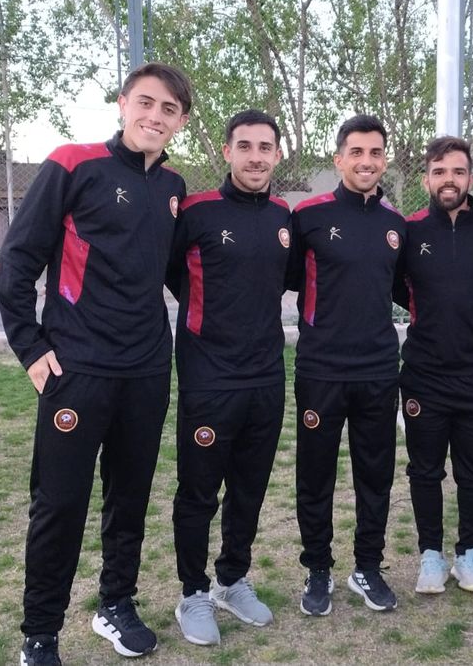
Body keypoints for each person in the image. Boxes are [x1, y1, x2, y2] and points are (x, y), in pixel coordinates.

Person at [0, 62, 192, 665]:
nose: (155, 117)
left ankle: (116, 604)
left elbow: (178, 276)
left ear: (181, 121)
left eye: (169, 110)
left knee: (129, 498)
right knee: (59, 504)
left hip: (146, 373)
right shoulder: (72, 163)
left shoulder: (174, 189)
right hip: (76, 371)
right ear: (121, 103)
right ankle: (40, 633)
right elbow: (17, 262)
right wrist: (32, 350)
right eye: (146, 103)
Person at [168, 110, 290, 646]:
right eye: (245, 146)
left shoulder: (285, 217)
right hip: (208, 379)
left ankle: (232, 580)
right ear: (227, 151)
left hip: (266, 378)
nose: (256, 156)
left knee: (250, 489)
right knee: (199, 492)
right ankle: (192, 592)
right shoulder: (194, 212)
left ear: (278, 154)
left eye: (266, 147)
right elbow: (172, 275)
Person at [288, 115, 406, 616]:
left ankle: (367, 567)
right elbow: (288, 278)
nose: (366, 161)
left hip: (379, 370)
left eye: (375, 153)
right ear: (339, 159)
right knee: (315, 475)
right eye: (356, 152)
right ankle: (318, 569)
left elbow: (404, 289)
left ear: (384, 160)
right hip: (321, 370)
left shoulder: (396, 225)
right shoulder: (308, 217)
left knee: (374, 474)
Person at [394, 136, 473, 595]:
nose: (449, 180)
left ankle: (470, 555)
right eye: (439, 172)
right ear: (427, 179)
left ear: (470, 179)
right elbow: (396, 287)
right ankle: (431, 556)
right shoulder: (410, 229)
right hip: (424, 371)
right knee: (425, 469)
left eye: (458, 172)